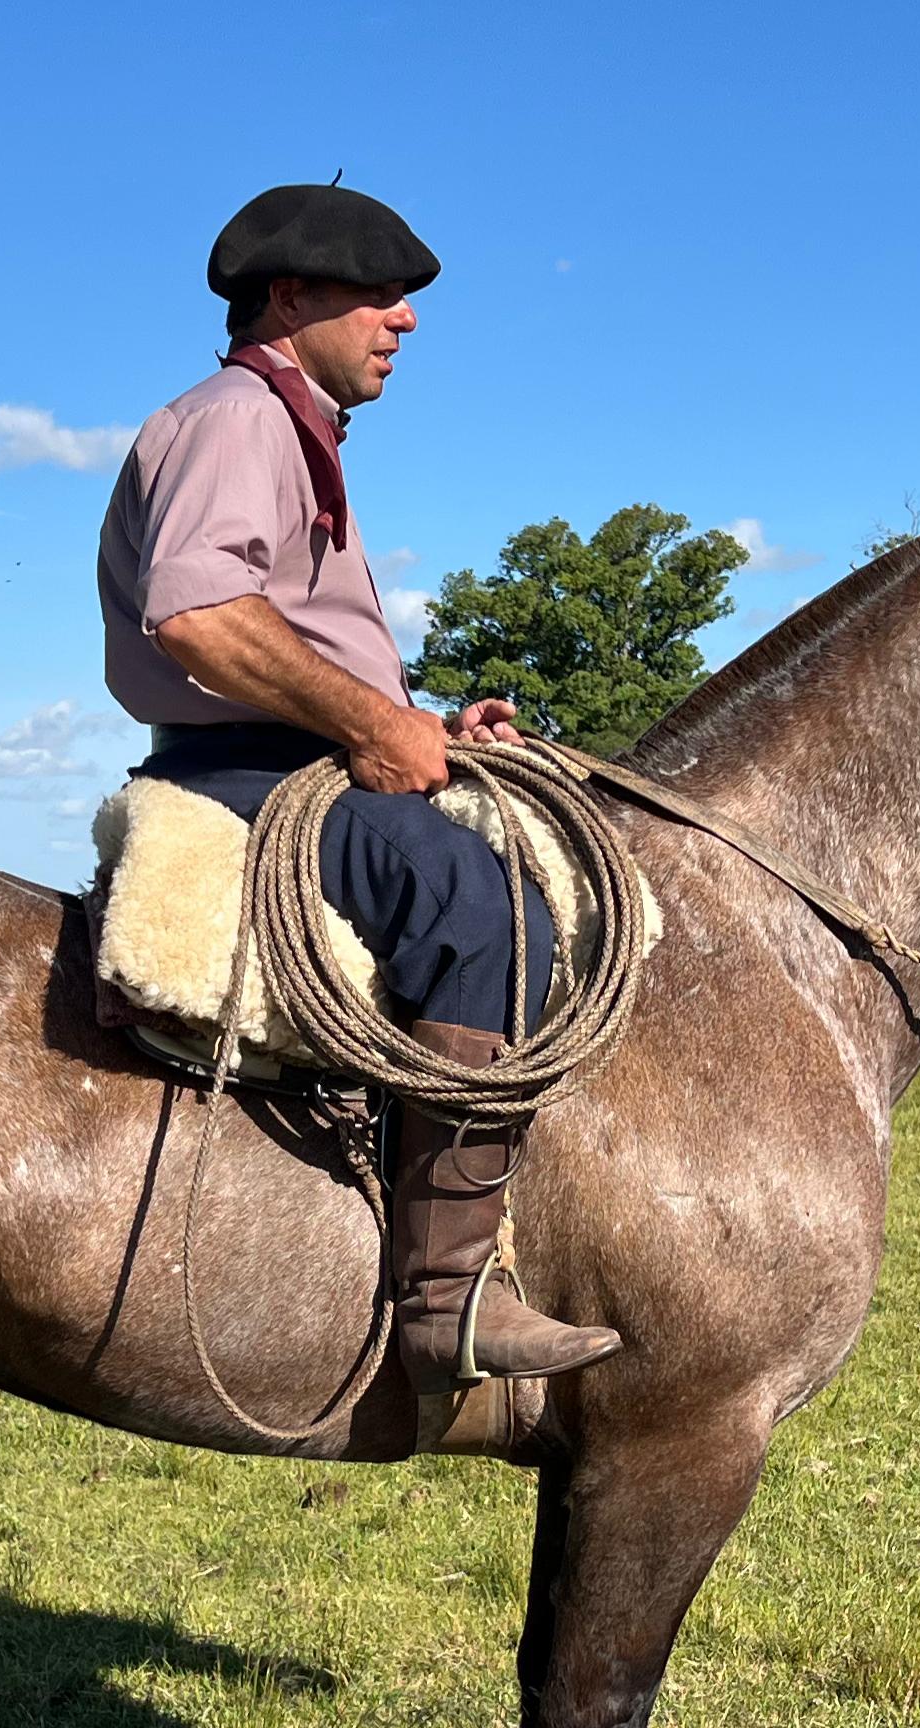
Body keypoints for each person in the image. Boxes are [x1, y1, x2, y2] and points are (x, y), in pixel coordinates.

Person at [94, 181, 620, 1392]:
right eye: (378, 295)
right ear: (290, 300)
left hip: (296, 748)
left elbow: (285, 631)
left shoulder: (289, 427)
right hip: (254, 770)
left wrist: (423, 724)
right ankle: (446, 1300)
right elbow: (199, 613)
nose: (405, 319)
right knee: (483, 909)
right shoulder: (242, 419)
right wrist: (374, 725)